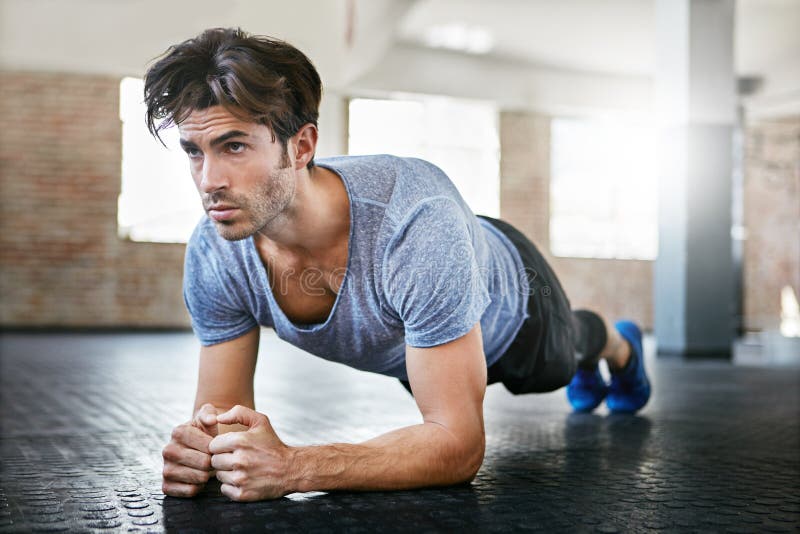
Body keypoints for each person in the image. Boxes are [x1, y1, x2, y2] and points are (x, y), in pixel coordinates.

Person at [148, 28, 651, 503]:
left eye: (234, 146)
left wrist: (293, 466)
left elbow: (459, 446)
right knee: (434, 378)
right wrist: (205, 456)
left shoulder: (416, 227)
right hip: (420, 336)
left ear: (301, 147)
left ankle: (618, 343)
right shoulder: (216, 253)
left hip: (518, 302)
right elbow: (223, 424)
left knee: (563, 358)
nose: (208, 180)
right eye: (194, 151)